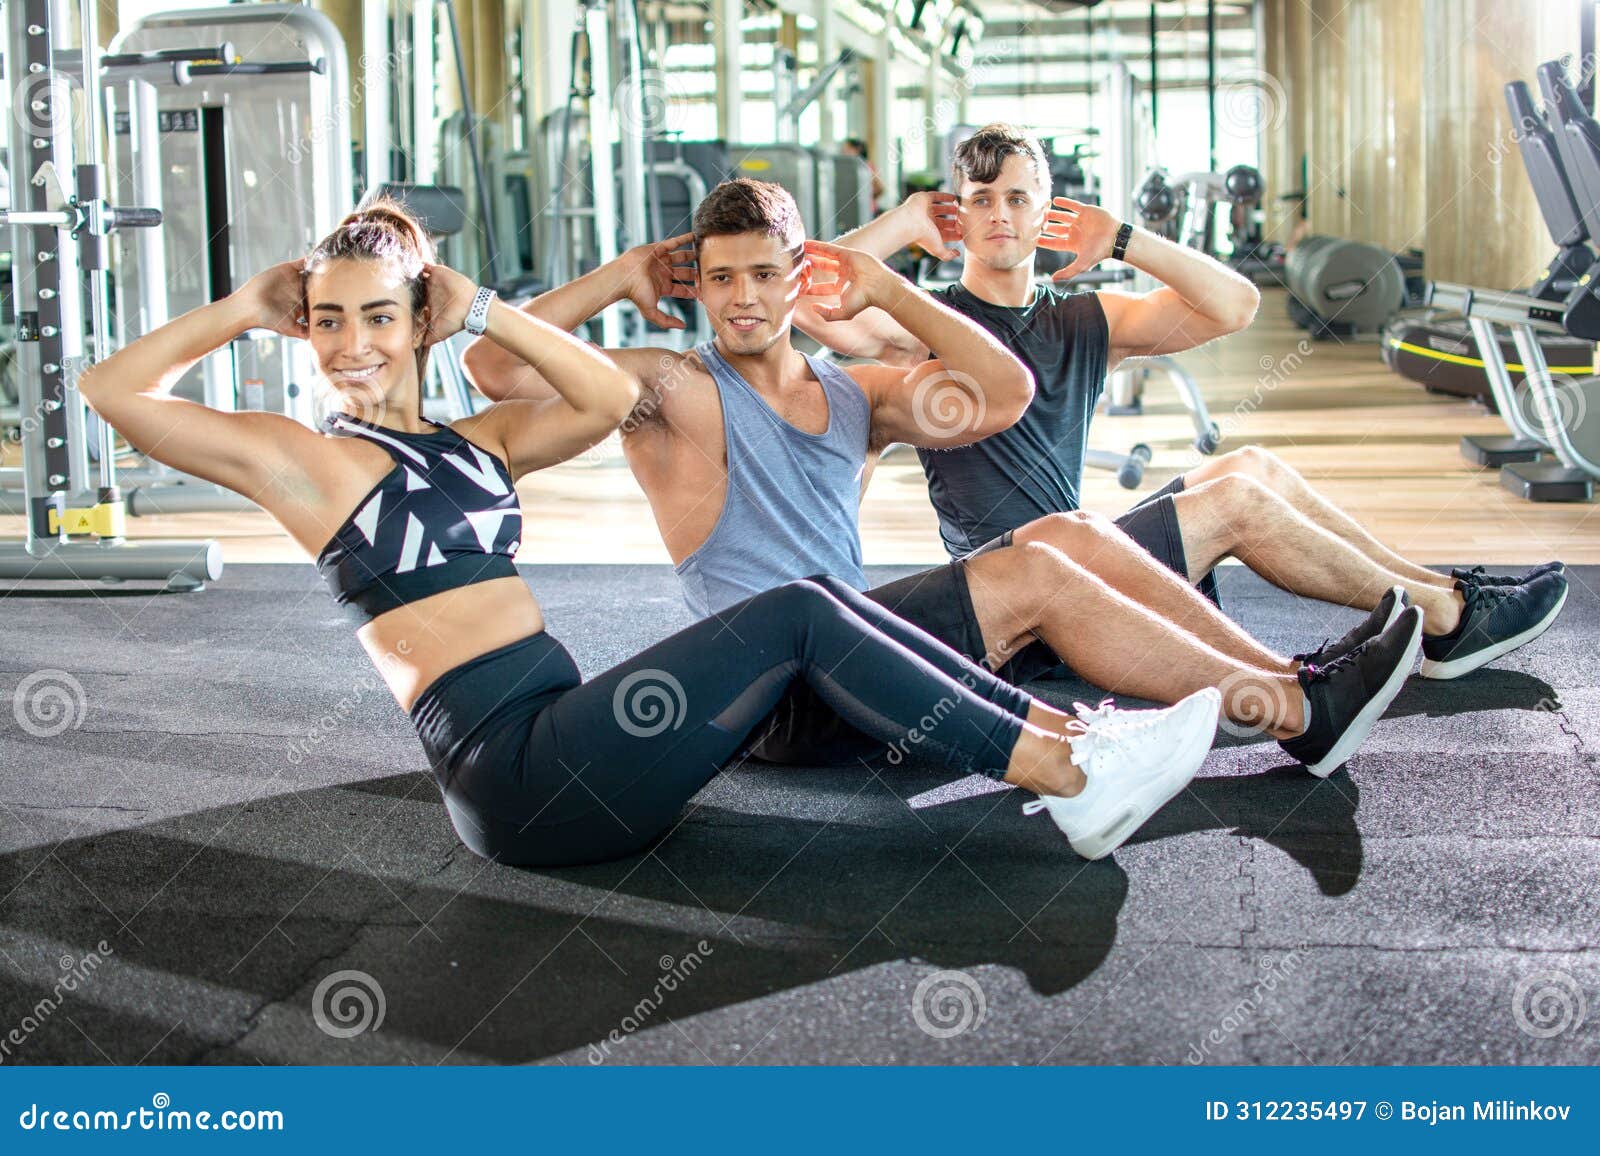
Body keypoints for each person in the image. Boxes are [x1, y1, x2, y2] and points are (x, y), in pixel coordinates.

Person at [75, 196, 1225, 865]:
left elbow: (586, 396)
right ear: (305, 332)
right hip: (512, 774)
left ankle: (1068, 737)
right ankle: (1072, 767)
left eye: (379, 317)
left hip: (571, 731)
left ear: (417, 323)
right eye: (328, 324)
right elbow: (114, 393)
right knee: (796, 611)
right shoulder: (305, 459)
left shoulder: (474, 444)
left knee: (812, 607)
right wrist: (245, 306)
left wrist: (481, 306)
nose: (351, 346)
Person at [463, 178, 1426, 780]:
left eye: (765, 275)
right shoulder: (662, 385)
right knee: (1043, 570)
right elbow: (496, 372)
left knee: (1068, 536)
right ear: (700, 286)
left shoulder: (856, 392)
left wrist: (889, 289)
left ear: (803, 280)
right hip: (774, 700)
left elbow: (1004, 391)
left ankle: (1284, 685)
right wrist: (623, 271)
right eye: (722, 279)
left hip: (863, 664)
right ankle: (1301, 711)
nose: (744, 299)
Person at [790, 123, 1569, 683]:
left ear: (1047, 212)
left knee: (1251, 466)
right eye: (981, 199)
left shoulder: (1085, 316)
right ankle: (1445, 619)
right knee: (1232, 501)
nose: (999, 214)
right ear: (959, 216)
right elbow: (811, 305)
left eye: (1018, 198)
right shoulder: (923, 325)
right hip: (1019, 601)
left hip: (1089, 560)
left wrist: (1125, 238)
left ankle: (1448, 597)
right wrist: (903, 221)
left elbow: (1234, 307)